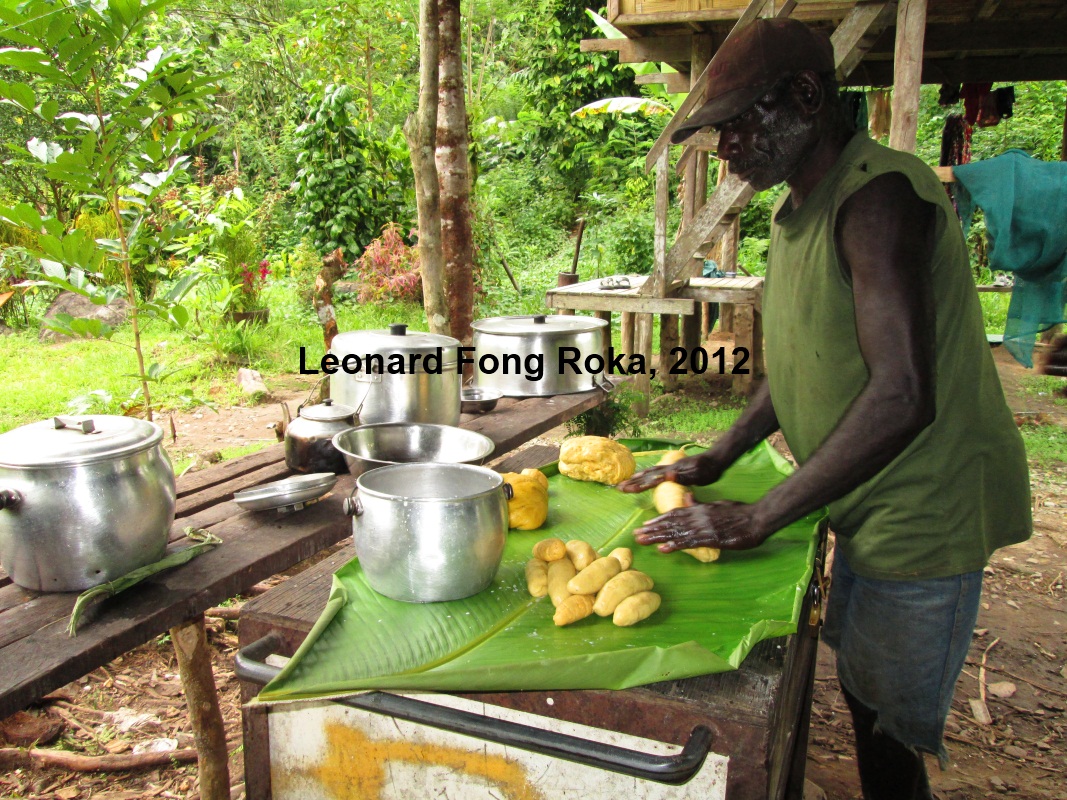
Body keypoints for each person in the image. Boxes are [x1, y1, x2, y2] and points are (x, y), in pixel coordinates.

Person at [618, 18, 1032, 800]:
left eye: (737, 123)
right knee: (860, 685)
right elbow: (797, 362)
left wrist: (757, 516)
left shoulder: (877, 199)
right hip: (863, 500)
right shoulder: (793, 212)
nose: (726, 147)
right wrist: (719, 456)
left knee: (885, 728)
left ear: (805, 97)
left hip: (925, 510)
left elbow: (902, 393)